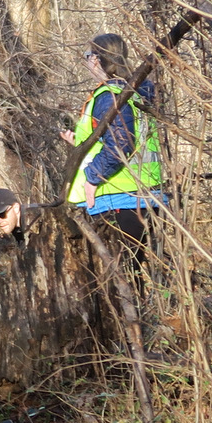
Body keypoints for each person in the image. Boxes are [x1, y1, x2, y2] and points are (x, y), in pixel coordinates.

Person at [66, 33, 162, 262]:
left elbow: (121, 143)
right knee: (136, 274)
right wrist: (80, 144)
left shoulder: (110, 96)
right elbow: (123, 137)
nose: (87, 62)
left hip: (117, 200)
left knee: (120, 276)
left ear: (96, 59)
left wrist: (92, 178)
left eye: (87, 56)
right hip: (144, 198)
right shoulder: (137, 92)